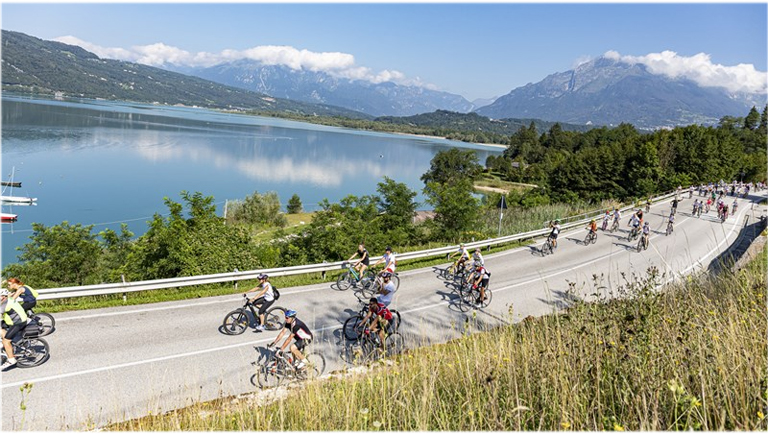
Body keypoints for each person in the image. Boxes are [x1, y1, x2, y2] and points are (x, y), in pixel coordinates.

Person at [1, 289, 29, 370]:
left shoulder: (5, 304)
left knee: (6, 340)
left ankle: (11, 360)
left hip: (18, 323)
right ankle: (8, 347)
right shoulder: (9, 299)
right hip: (15, 320)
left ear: (3, 297)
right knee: (2, 331)